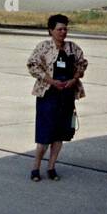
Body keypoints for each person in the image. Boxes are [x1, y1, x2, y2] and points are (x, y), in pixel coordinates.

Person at [26, 14, 87, 181]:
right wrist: (51, 81)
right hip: (49, 94)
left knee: (60, 133)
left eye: (65, 29)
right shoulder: (44, 47)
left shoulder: (72, 48)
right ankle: (36, 168)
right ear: (51, 31)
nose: (63, 32)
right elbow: (32, 66)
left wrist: (73, 79)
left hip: (66, 95)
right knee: (45, 134)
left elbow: (82, 64)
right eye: (59, 29)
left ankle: (51, 167)